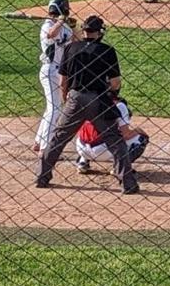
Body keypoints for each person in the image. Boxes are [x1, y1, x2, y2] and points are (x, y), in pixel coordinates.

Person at [35, 16, 139, 194]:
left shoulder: (70, 48)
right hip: (99, 100)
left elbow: (63, 80)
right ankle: (128, 184)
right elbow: (115, 83)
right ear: (100, 32)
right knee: (115, 140)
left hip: (75, 98)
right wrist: (108, 92)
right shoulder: (107, 51)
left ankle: (42, 177)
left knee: (58, 138)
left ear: (83, 30)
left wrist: (67, 98)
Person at [34, 0, 74, 155]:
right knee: (55, 109)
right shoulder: (47, 25)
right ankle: (45, 148)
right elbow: (51, 34)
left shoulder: (65, 27)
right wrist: (60, 22)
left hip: (60, 71)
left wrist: (73, 26)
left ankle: (39, 141)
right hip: (50, 70)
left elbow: (76, 41)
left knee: (52, 108)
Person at [74, 92, 149, 176]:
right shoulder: (120, 105)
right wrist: (138, 130)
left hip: (81, 148)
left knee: (89, 132)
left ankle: (82, 162)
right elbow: (126, 135)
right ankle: (119, 167)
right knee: (142, 138)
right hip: (103, 150)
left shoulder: (88, 101)